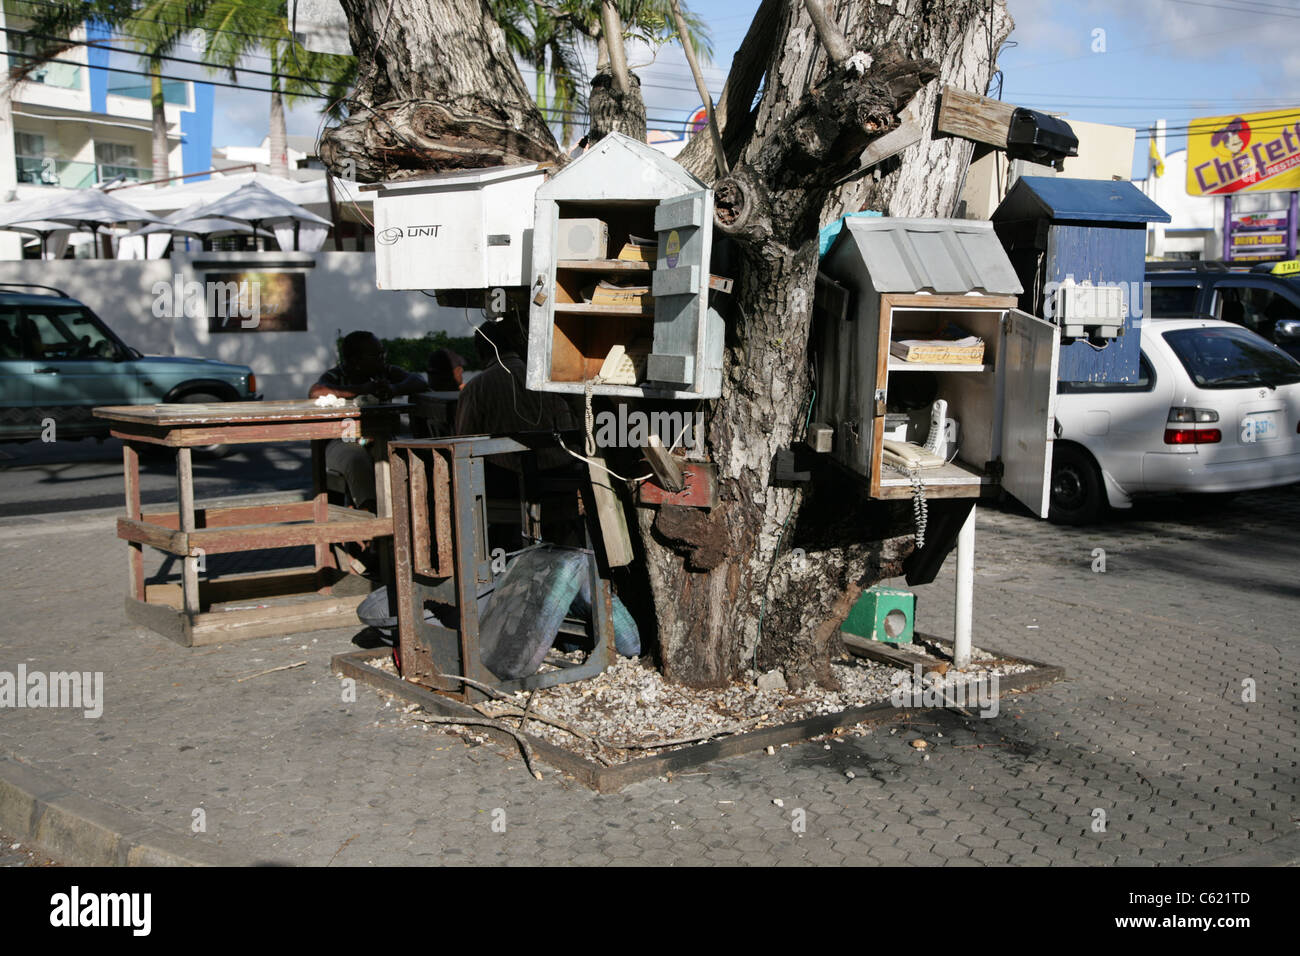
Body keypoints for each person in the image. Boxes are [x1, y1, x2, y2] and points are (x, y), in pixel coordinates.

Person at [309, 331, 426, 511]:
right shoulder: (336, 376)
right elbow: (315, 392)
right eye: (376, 355)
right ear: (355, 360)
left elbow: (419, 381)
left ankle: (406, 511)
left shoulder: (385, 373)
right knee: (356, 460)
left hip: (382, 439)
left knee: (406, 455)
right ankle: (369, 517)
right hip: (344, 439)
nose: (382, 359)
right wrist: (358, 390)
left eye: (382, 354)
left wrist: (394, 389)